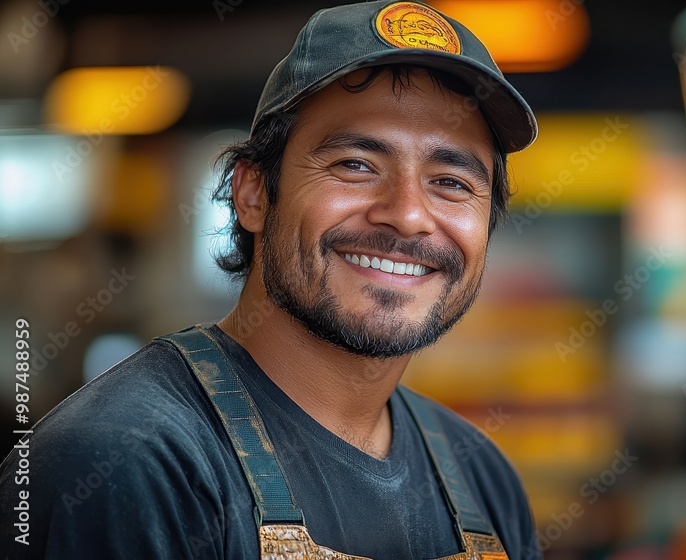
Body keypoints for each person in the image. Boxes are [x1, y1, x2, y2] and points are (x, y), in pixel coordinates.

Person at [0, 1, 540, 558]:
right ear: (253, 193)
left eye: (451, 181)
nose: (407, 214)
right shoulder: (125, 464)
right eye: (356, 164)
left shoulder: (485, 482)